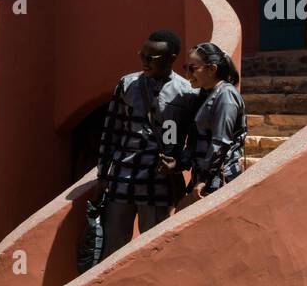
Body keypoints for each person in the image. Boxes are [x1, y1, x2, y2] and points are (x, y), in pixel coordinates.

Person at [87, 29, 199, 261]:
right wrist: (102, 176)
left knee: (154, 251)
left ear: (172, 58)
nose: (145, 62)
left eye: (152, 58)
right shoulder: (127, 84)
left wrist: (177, 163)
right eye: (142, 55)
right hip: (122, 178)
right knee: (112, 250)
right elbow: (111, 131)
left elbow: (187, 136)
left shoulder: (185, 92)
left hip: (157, 182)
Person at [182, 42, 248, 202]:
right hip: (204, 175)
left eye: (193, 68)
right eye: (186, 68)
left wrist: (204, 178)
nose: (188, 75)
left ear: (212, 69)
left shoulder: (225, 96)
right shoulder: (205, 94)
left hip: (217, 178)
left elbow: (221, 141)